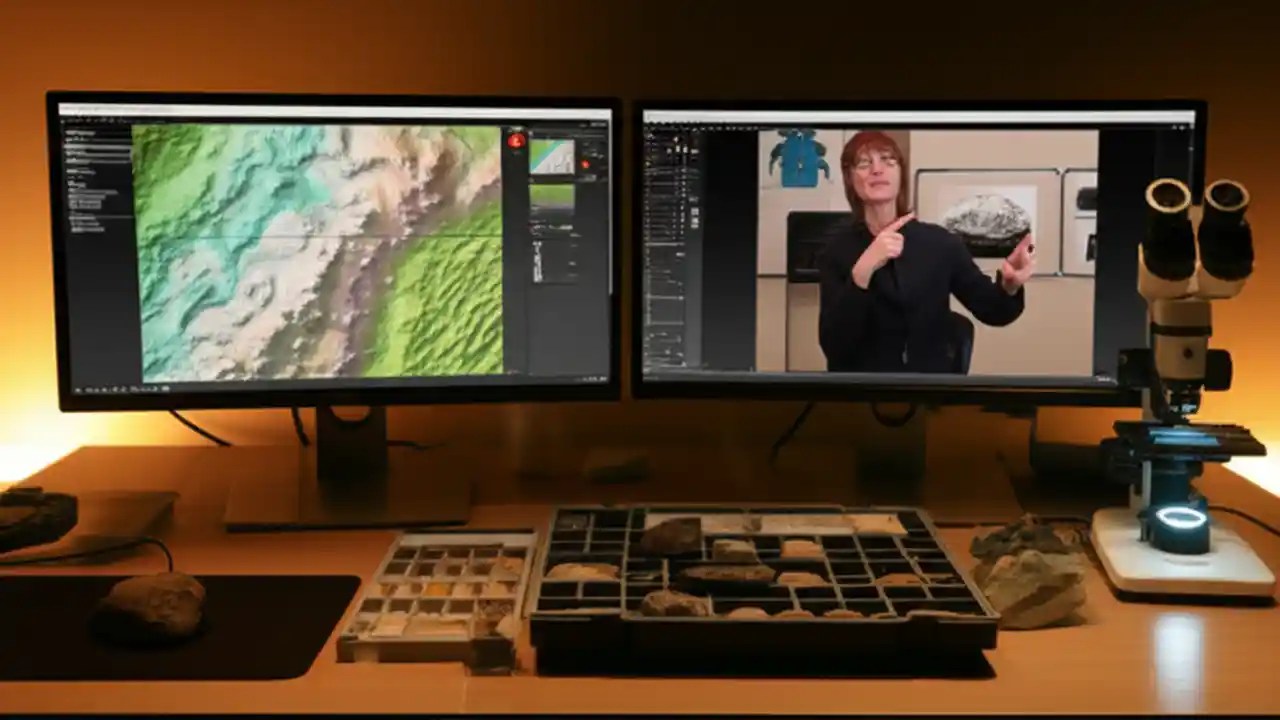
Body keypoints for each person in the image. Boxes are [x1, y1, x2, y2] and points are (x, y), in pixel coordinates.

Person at [818, 131, 1035, 374]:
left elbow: (994, 311)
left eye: (888, 160)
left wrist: (1010, 286)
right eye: (864, 163)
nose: (877, 170)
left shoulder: (940, 244)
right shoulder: (836, 250)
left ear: (901, 174)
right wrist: (862, 271)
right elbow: (835, 346)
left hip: (927, 393)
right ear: (850, 177)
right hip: (861, 395)